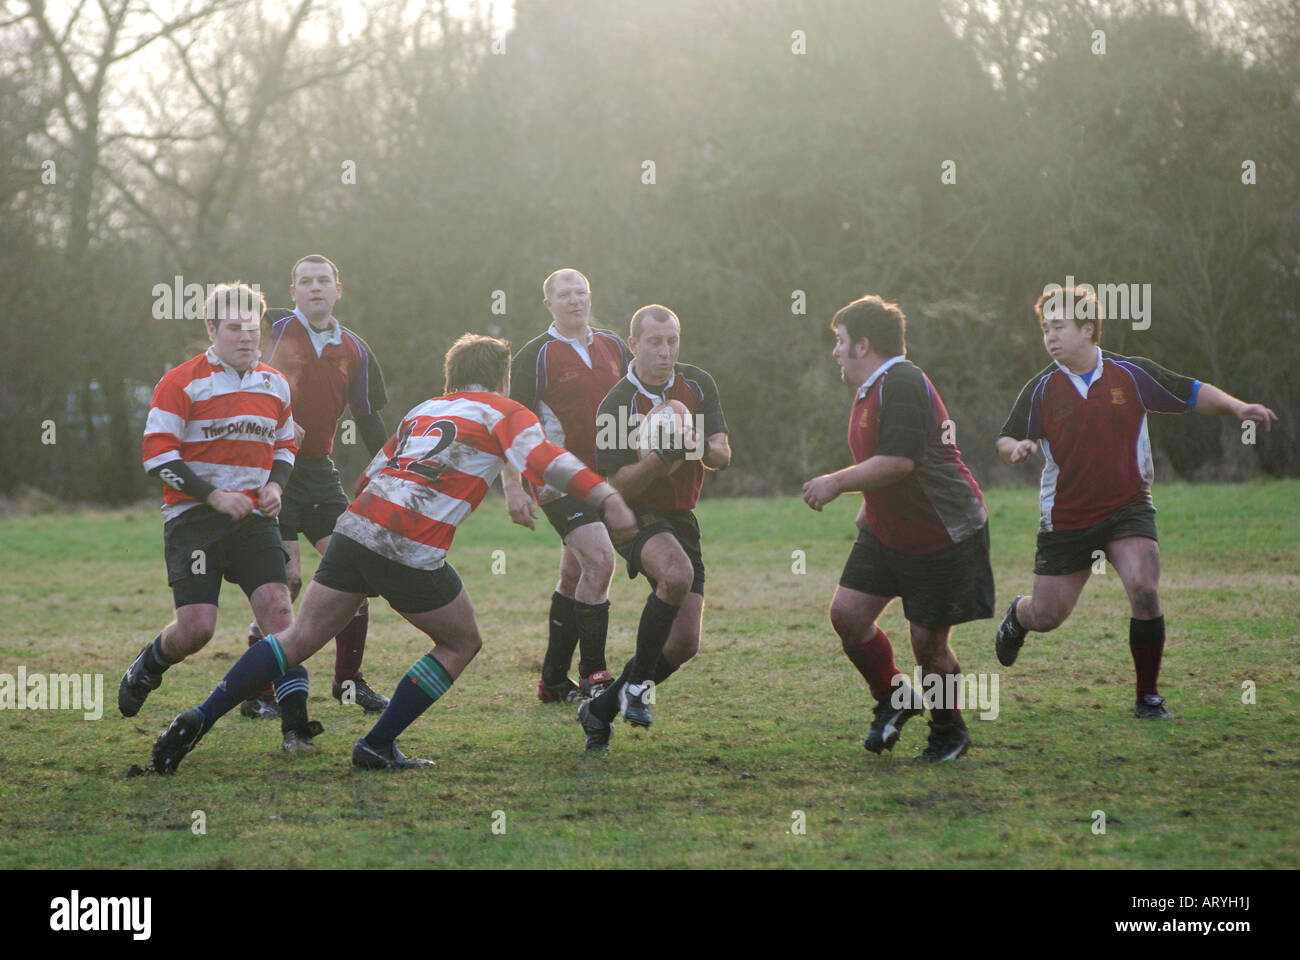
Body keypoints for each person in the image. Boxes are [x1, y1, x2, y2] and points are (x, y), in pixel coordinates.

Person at [150, 333, 637, 774]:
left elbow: (369, 475)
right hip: (409, 545)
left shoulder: (424, 409)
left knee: (297, 640)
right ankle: (377, 743)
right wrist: (606, 497)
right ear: (502, 378)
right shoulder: (505, 412)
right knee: (460, 642)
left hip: (356, 528)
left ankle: (199, 716)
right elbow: (544, 460)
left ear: (451, 377)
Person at [994, 285, 1278, 719]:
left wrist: (1238, 408)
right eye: (1044, 328)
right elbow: (1006, 435)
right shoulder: (1041, 389)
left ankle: (1147, 695)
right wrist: (1015, 448)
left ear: (1088, 329)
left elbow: (1191, 391)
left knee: (1144, 590)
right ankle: (1018, 615)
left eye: (1059, 327)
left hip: (1128, 506)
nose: (1050, 336)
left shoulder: (1131, 374)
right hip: (1068, 519)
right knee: (1048, 615)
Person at [123, 283, 321, 752]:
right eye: (235, 328)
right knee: (197, 631)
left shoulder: (274, 383)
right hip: (194, 520)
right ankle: (148, 664)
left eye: (253, 329)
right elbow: (157, 456)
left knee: (280, 614)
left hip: (253, 520)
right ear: (211, 328)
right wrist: (212, 496)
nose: (247, 337)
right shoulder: (181, 382)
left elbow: (286, 446)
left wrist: (275, 485)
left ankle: (296, 728)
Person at [803, 295, 994, 762]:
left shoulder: (902, 380)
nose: (835, 351)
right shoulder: (872, 387)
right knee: (848, 616)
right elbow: (890, 462)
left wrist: (835, 482)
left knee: (928, 646)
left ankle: (949, 730)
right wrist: (869, 506)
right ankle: (895, 696)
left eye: (840, 341)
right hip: (889, 530)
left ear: (863, 344)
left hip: (942, 532)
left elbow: (900, 462)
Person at [236, 255, 392, 720]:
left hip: (321, 474)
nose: (316, 288)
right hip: (271, 472)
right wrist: (276, 423)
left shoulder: (356, 349)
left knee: (355, 575)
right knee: (288, 580)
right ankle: (257, 691)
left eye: (324, 280)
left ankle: (349, 682)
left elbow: (368, 418)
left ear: (338, 290)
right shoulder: (273, 329)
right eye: (306, 281)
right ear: (293, 291)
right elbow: (240, 379)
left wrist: (391, 467)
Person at [575, 305, 731, 753]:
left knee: (683, 644)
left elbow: (722, 453)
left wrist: (691, 441)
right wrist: (661, 458)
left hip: (681, 517)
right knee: (676, 576)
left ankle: (599, 711)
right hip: (632, 515)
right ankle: (640, 685)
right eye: (655, 342)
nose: (666, 351)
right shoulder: (617, 404)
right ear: (634, 344)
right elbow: (615, 485)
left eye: (673, 341)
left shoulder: (697, 384)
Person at [502, 268, 632, 703]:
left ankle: (554, 682)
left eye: (581, 292)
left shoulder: (614, 345)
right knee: (600, 561)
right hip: (557, 478)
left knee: (574, 573)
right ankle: (596, 678)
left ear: (590, 297)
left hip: (608, 479)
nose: (575, 300)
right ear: (549, 305)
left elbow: (636, 401)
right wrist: (513, 488)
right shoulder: (535, 355)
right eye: (564, 294)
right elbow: (509, 426)